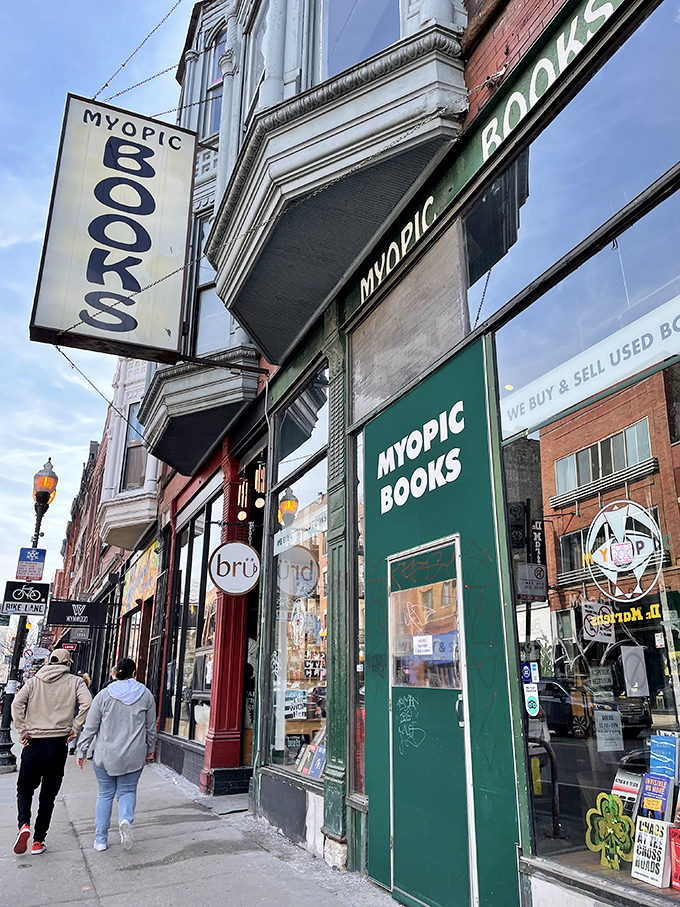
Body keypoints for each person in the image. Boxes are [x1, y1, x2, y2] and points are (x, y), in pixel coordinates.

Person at [11, 649, 91, 855]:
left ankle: (24, 825)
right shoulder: (75, 682)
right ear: (67, 663)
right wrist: (76, 727)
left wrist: (22, 730)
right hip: (58, 743)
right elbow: (87, 704)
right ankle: (38, 841)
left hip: (33, 743)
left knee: (25, 789)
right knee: (48, 794)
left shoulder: (33, 681)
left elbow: (16, 703)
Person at [77, 657, 156, 852]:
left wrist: (82, 749)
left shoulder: (103, 695)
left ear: (115, 672)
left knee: (104, 795)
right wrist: (150, 749)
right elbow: (151, 729)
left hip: (105, 754)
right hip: (134, 755)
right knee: (127, 791)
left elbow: (91, 727)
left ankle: (100, 840)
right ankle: (125, 821)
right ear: (134, 673)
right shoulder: (146, 695)